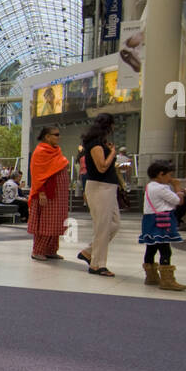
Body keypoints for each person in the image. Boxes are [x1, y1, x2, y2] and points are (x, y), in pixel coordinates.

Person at [76, 114, 121, 276]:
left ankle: (89, 252)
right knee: (102, 227)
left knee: (114, 223)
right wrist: (112, 153)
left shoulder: (100, 143)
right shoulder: (95, 144)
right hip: (100, 187)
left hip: (108, 187)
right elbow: (101, 167)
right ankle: (97, 264)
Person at [139, 160, 186, 291]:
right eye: (169, 175)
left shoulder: (150, 186)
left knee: (151, 248)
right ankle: (167, 280)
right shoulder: (161, 188)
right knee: (165, 250)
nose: (171, 178)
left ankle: (151, 276)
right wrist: (178, 187)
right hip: (162, 221)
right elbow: (178, 201)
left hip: (150, 221)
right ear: (161, 174)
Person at [27, 125, 69, 261]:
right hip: (46, 194)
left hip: (58, 195)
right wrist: (41, 193)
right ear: (47, 137)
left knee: (56, 222)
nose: (59, 137)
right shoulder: (40, 152)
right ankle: (38, 250)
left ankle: (51, 250)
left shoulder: (56, 151)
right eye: (56, 134)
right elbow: (37, 174)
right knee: (45, 223)